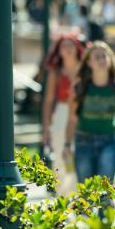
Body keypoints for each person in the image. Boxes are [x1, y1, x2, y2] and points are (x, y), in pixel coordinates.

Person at [65, 41, 115, 183]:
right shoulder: (79, 88)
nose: (101, 60)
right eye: (96, 57)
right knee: (86, 195)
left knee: (104, 193)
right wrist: (67, 145)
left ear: (110, 60)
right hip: (83, 143)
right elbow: (72, 119)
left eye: (104, 56)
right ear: (89, 63)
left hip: (109, 142)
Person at [40, 35, 87, 194]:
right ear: (59, 51)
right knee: (60, 155)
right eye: (63, 46)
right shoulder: (57, 73)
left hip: (81, 113)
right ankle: (61, 196)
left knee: (79, 154)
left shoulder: (85, 70)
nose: (67, 49)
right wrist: (46, 128)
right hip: (61, 113)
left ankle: (76, 194)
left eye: (70, 46)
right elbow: (48, 100)